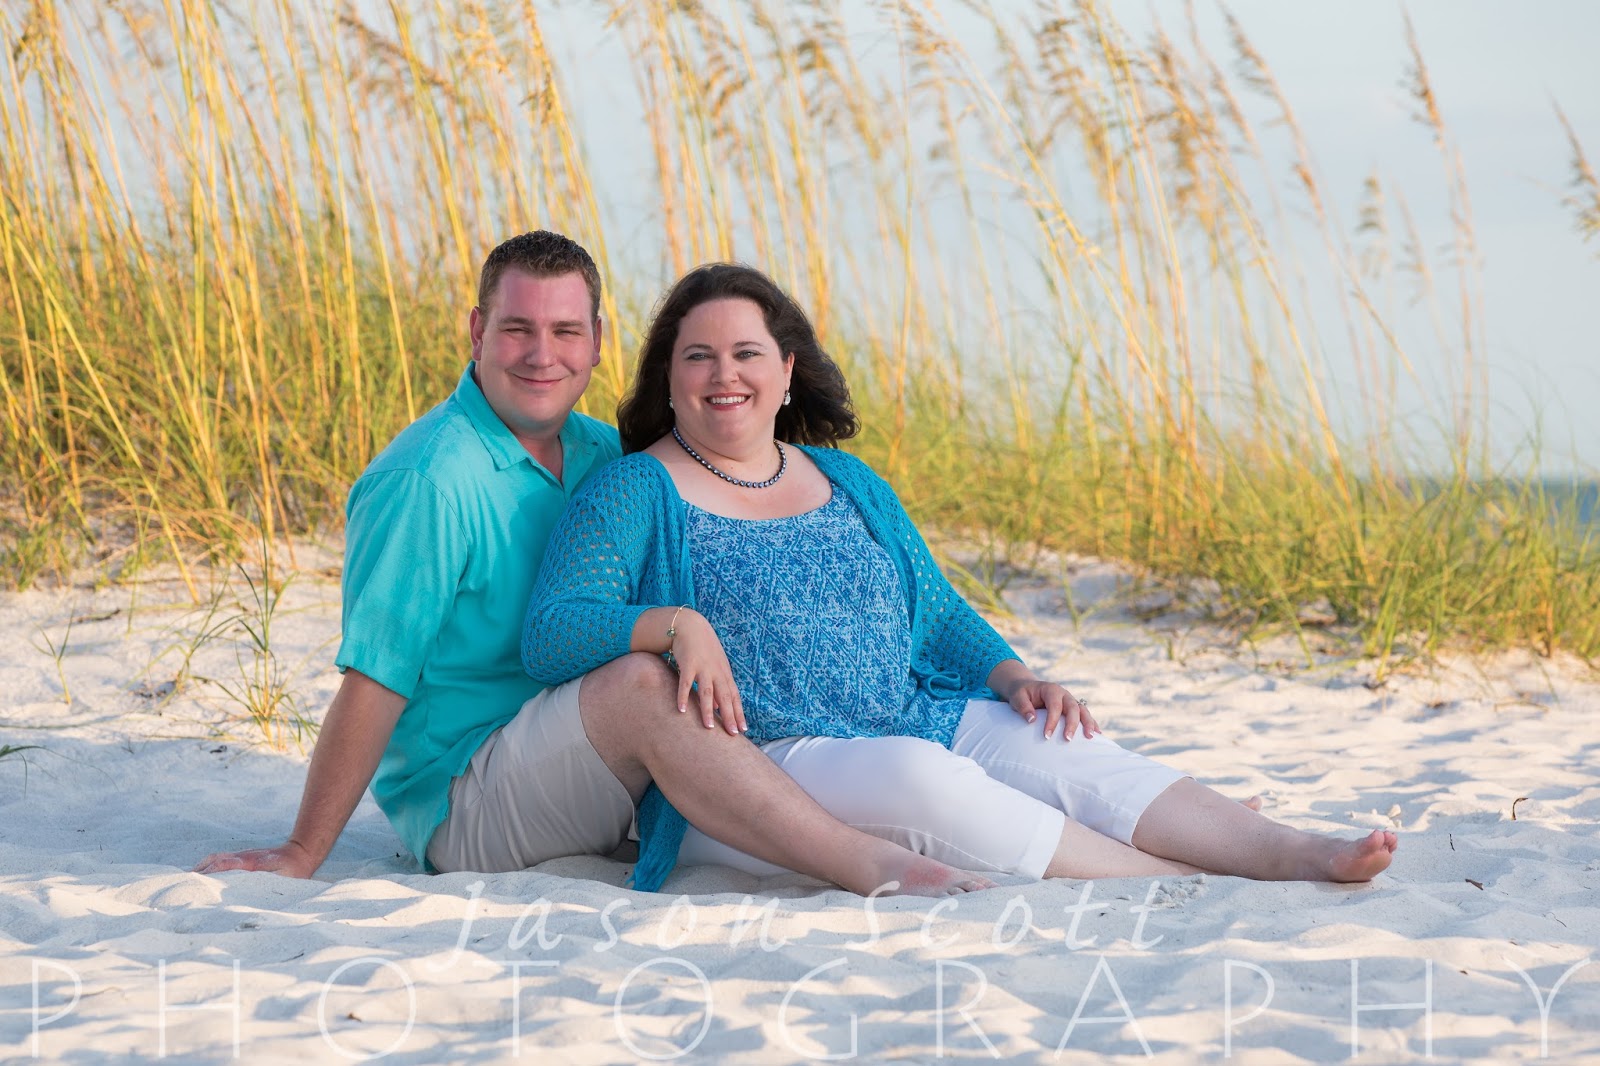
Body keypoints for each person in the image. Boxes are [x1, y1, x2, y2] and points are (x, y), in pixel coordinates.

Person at [522, 262, 1400, 891]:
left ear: (787, 371)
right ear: (667, 379)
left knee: (1066, 746)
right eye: (698, 356)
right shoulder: (635, 487)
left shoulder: (849, 482)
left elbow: (934, 614)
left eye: (747, 353)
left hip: (914, 709)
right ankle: (1158, 876)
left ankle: (1293, 851)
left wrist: (1014, 674)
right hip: (768, 766)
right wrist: (676, 622)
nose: (725, 375)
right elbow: (554, 628)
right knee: (922, 780)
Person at [193, 232, 994, 898]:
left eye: (566, 332)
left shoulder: (603, 455)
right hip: (472, 796)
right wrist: (304, 850)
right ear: (477, 331)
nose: (542, 355)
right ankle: (863, 865)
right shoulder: (429, 483)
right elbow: (376, 678)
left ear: (598, 341)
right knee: (644, 682)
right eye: (517, 329)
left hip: (598, 763)